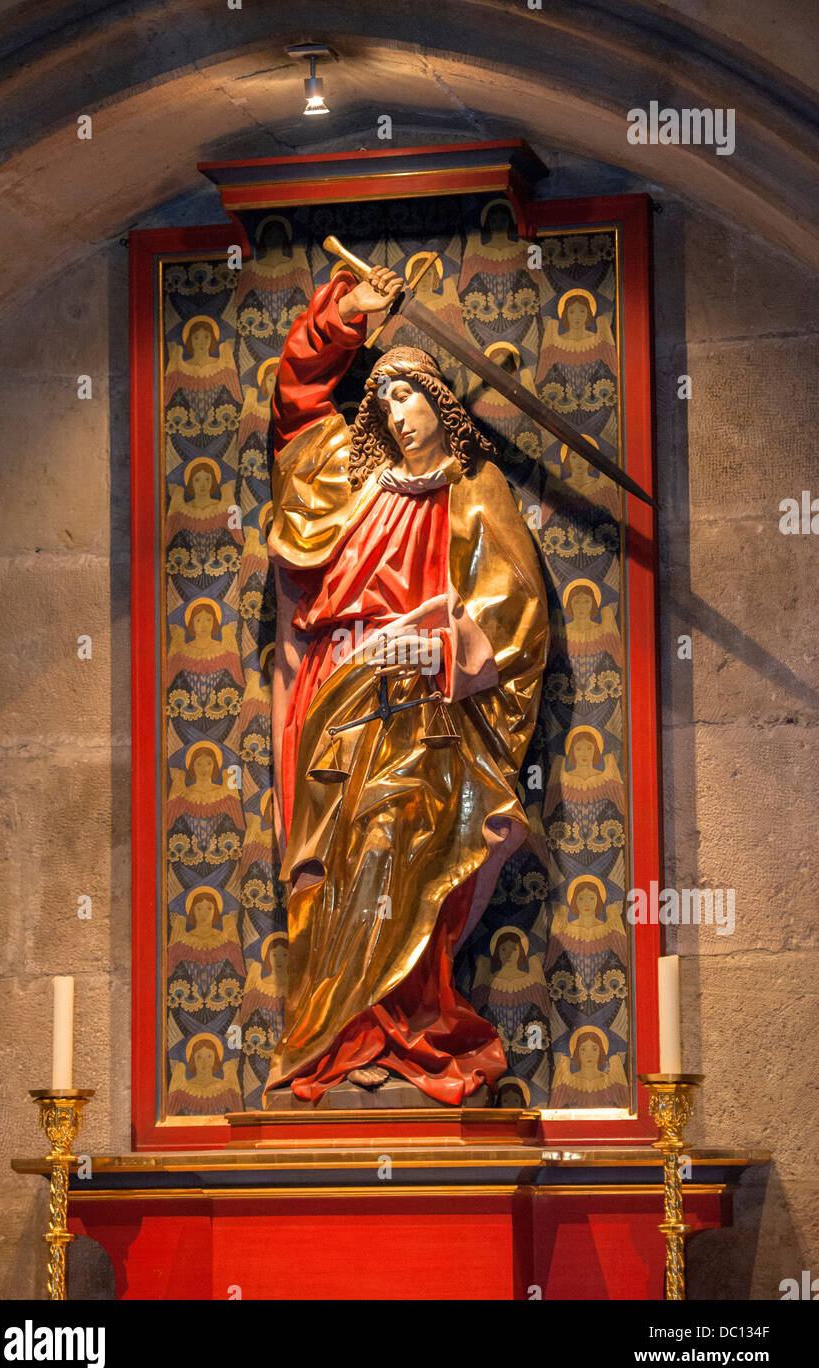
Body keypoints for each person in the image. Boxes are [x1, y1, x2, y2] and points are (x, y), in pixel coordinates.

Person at [264, 262, 549, 1107]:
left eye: (409, 397)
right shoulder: (344, 479)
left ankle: (410, 1022)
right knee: (327, 864)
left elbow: (515, 607)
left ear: (441, 408)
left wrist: (445, 638)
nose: (394, 412)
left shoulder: (473, 489)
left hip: (423, 699)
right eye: (382, 401)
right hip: (335, 691)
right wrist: (341, 320)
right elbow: (295, 408)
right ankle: (332, 1038)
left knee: (405, 858)